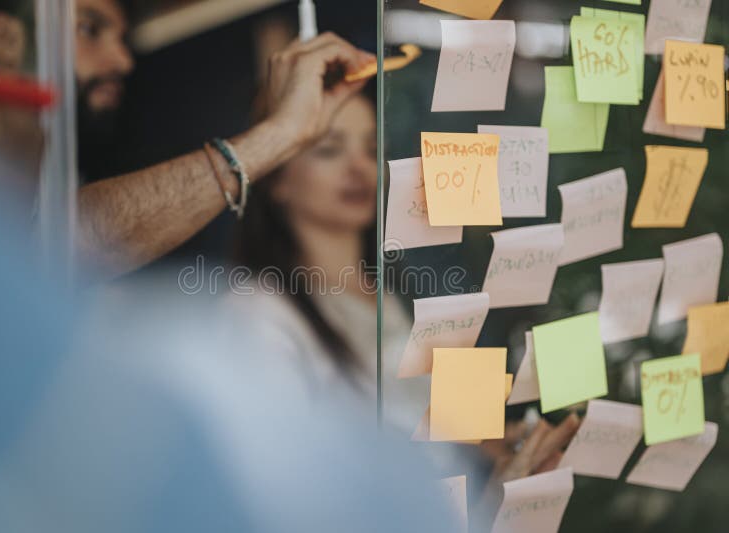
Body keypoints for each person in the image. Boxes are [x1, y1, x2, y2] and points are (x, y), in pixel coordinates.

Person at [230, 85, 581, 529]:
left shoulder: (409, 284)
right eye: (329, 149)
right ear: (277, 178)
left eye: (371, 148)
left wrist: (498, 449)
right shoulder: (261, 313)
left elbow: (442, 428)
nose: (358, 168)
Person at [0, 0, 375, 281]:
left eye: (373, 149)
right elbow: (59, 240)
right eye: (90, 28)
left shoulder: (64, 171)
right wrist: (283, 132)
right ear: (7, 38)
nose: (122, 61)